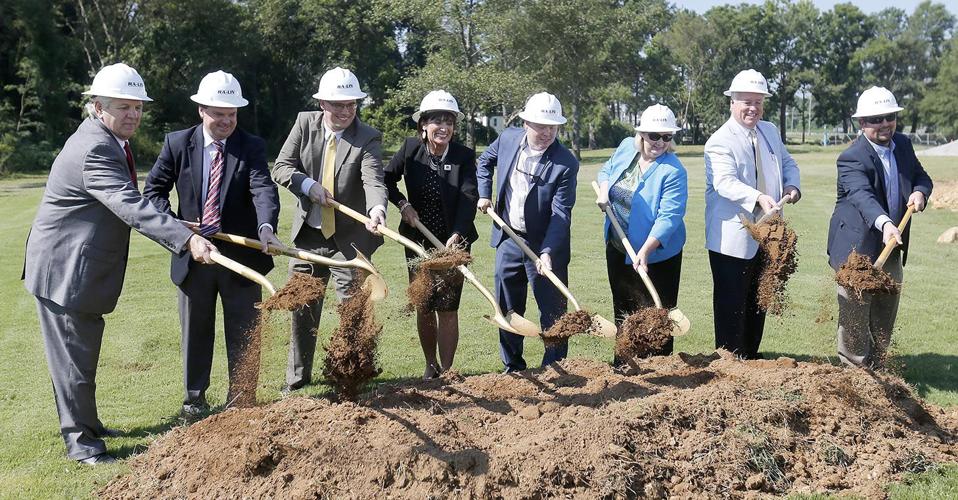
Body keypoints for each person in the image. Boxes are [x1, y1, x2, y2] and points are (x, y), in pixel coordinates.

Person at [22, 63, 217, 465]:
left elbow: (125, 199)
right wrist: (186, 238)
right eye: (122, 106)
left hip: (80, 269)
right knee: (72, 360)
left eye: (138, 107)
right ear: (98, 106)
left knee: (82, 354)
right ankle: (83, 445)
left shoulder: (108, 139)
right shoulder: (96, 147)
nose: (133, 114)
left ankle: (88, 425)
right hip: (64, 271)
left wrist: (176, 223)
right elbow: (127, 204)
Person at [143, 71, 281, 414]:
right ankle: (194, 401)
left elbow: (263, 188)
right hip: (194, 256)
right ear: (201, 110)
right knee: (196, 332)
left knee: (245, 333)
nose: (226, 121)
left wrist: (265, 226)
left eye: (232, 114)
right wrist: (177, 228)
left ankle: (242, 400)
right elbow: (153, 192)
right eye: (219, 113)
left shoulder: (251, 146)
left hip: (242, 259)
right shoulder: (177, 143)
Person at [271, 67, 387, 393]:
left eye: (351, 104)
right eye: (338, 105)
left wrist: (377, 208)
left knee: (352, 307)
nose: (346, 111)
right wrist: (307, 186)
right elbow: (281, 167)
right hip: (309, 234)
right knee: (302, 304)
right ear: (322, 103)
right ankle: (297, 379)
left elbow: (373, 180)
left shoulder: (367, 137)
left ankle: (349, 376)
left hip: (348, 238)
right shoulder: (304, 124)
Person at [826, 86, 933, 368]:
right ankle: (855, 376)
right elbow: (862, 196)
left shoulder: (904, 145)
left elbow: (921, 177)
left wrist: (920, 193)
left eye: (889, 116)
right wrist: (885, 223)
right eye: (875, 119)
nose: (884, 123)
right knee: (855, 317)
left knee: (884, 314)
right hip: (856, 251)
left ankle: (879, 369)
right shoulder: (851, 157)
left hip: (891, 248)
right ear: (862, 123)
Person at [476, 92, 579, 373]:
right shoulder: (508, 139)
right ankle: (513, 368)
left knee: (553, 312)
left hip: (545, 244)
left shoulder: (565, 163)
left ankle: (554, 369)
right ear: (525, 123)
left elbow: (561, 214)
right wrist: (485, 194)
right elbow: (484, 162)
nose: (547, 133)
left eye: (553, 127)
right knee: (508, 306)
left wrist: (547, 252)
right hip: (508, 237)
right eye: (540, 126)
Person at [704, 69, 801, 359]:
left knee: (759, 301)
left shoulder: (769, 131)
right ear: (732, 102)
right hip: (733, 239)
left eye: (758, 102)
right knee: (731, 304)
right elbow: (724, 183)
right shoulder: (719, 141)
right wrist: (758, 196)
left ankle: (752, 359)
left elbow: (787, 162)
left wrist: (793, 184)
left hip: (768, 235)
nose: (753, 108)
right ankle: (729, 363)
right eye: (746, 101)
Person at [385, 90, 478, 379]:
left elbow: (469, 197)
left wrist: (458, 233)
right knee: (424, 305)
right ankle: (430, 365)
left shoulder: (463, 156)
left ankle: (448, 370)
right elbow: (386, 178)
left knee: (448, 307)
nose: (444, 127)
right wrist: (403, 204)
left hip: (452, 243)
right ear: (423, 124)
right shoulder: (410, 150)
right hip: (418, 241)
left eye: (449, 121)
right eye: (437, 120)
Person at [596, 104, 688, 362]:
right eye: (654, 136)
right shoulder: (627, 147)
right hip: (618, 247)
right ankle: (624, 366)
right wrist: (604, 191)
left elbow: (668, 217)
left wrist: (646, 250)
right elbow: (607, 170)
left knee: (655, 316)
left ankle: (658, 369)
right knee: (624, 310)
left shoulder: (673, 171)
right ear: (641, 135)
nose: (660, 142)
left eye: (667, 137)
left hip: (658, 256)